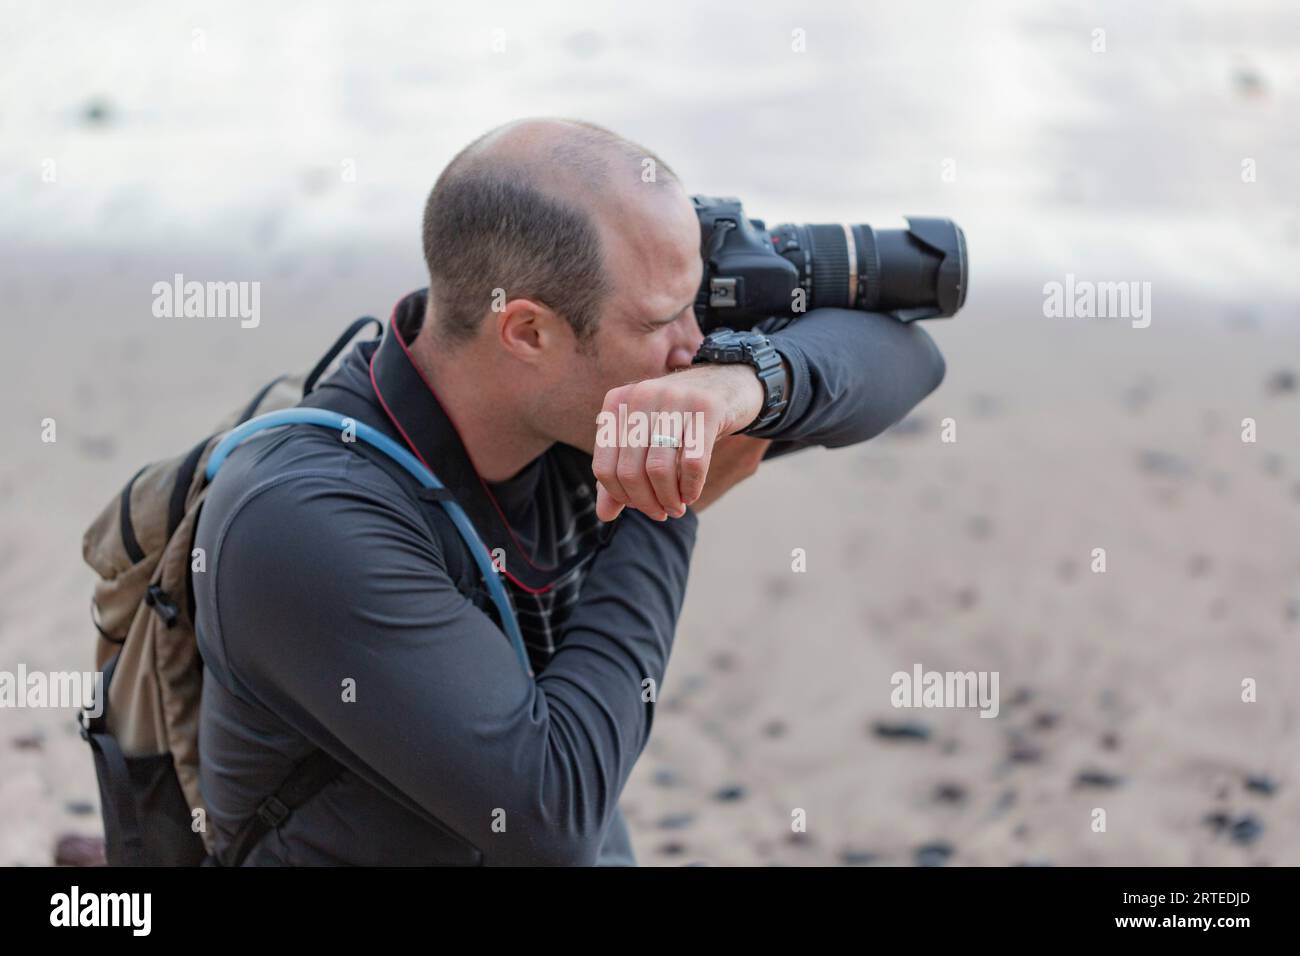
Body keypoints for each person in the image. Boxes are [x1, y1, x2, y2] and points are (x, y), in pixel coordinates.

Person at [192, 118, 947, 865]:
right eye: (663, 321)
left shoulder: (597, 375)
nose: (695, 343)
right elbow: (550, 817)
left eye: (698, 304)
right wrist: (662, 500)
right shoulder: (304, 518)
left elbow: (904, 353)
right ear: (527, 332)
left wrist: (748, 383)